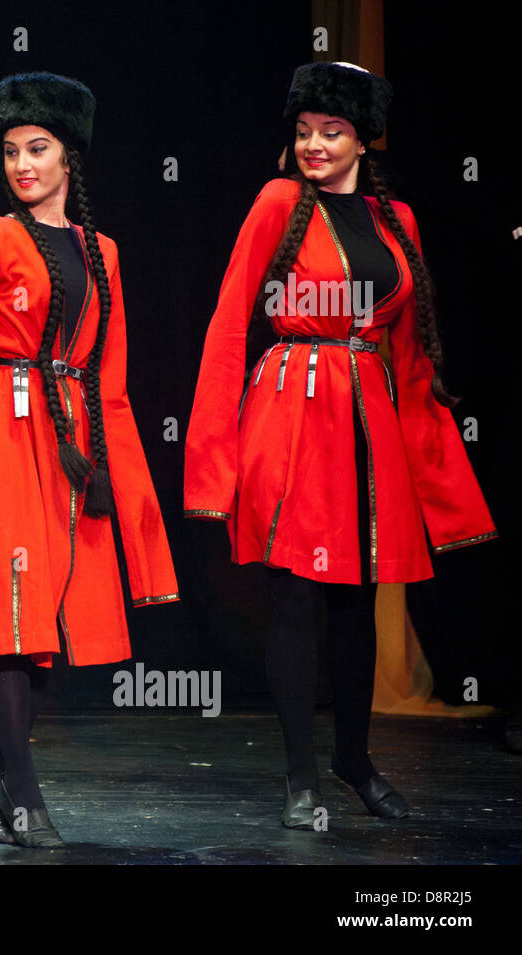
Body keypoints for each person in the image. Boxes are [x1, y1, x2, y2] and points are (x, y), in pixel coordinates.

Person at [184, 62, 497, 828]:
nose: (315, 145)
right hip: (292, 407)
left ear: (363, 139)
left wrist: (440, 481)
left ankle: (352, 758)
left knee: (359, 605)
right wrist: (213, 458)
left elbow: (415, 358)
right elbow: (229, 325)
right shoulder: (277, 202)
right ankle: (300, 777)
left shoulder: (400, 222)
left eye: (332, 132)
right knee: (294, 596)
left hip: (368, 419)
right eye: (304, 132)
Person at [0, 72, 179, 849]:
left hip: (71, 440)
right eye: (10, 152)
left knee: (50, 620)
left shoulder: (101, 250)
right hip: (1, 432)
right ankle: (25, 795)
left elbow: (112, 373)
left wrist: (114, 470)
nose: (22, 165)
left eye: (37, 149)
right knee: (10, 614)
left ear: (70, 155)